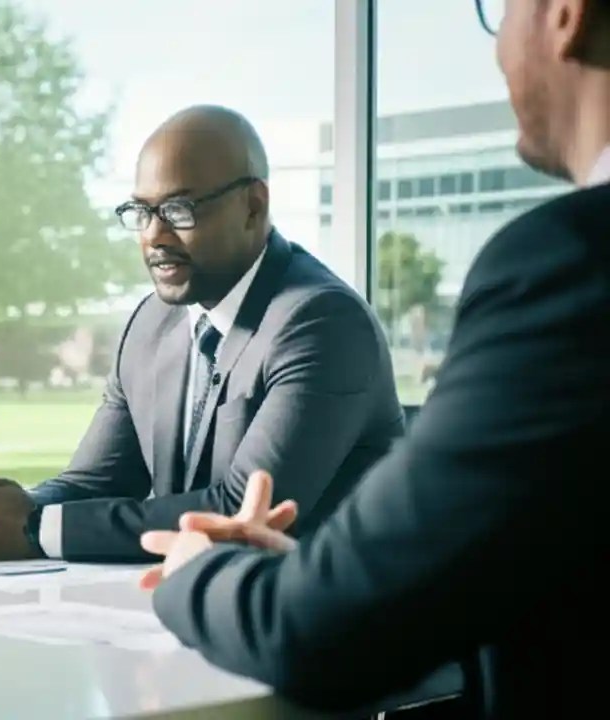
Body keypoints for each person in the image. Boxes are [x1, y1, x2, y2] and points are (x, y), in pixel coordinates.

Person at [140, 1, 610, 717]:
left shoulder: (570, 267)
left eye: (501, 8)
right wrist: (322, 573)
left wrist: (197, 571)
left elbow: (324, 638)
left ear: (565, 14)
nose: (496, 45)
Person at [0, 106, 403, 562]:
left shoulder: (320, 321)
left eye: (178, 210)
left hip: (317, 624)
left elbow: (241, 512)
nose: (153, 235)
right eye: (141, 211)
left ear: (253, 207)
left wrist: (33, 529)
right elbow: (99, 481)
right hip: (187, 602)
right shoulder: (151, 323)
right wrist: (7, 508)